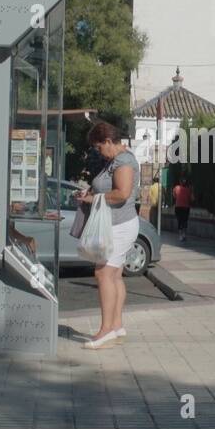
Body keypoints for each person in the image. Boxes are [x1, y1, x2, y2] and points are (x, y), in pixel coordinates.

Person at [75, 122, 141, 349]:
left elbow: (121, 194)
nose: (98, 151)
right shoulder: (115, 160)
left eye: (99, 147)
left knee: (103, 274)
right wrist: (90, 193)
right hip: (120, 223)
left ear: (108, 142)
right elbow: (108, 189)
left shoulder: (123, 161)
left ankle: (105, 331)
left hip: (119, 224)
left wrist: (94, 198)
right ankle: (116, 326)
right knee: (114, 276)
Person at [173, 175, 193, 242]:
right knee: (185, 221)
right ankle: (184, 235)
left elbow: (174, 196)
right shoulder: (188, 189)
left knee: (179, 221)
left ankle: (180, 235)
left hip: (178, 207)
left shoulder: (176, 188)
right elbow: (191, 198)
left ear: (180, 182)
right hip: (186, 207)